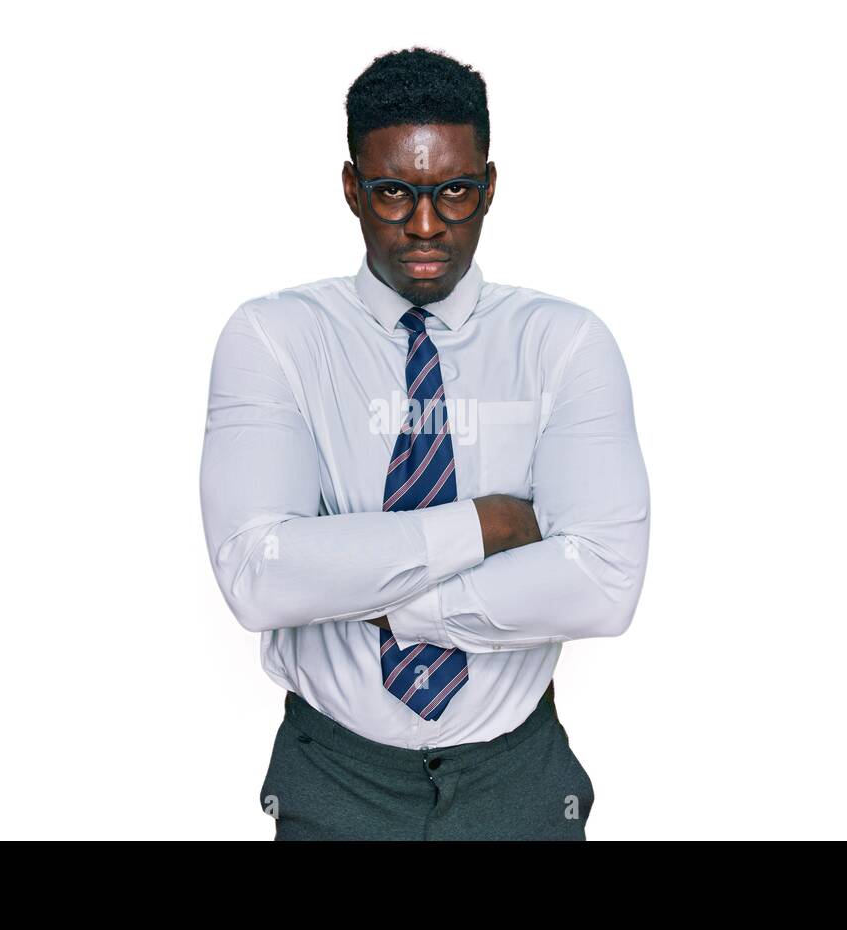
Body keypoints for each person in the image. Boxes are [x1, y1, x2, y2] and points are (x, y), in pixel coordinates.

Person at [199, 46, 650, 840]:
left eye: (453, 191)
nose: (426, 222)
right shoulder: (274, 339)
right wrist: (489, 525)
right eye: (394, 193)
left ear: (489, 187)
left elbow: (604, 583)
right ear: (351, 189)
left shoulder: (564, 344)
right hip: (335, 774)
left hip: (517, 774)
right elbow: (259, 578)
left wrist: (383, 601)